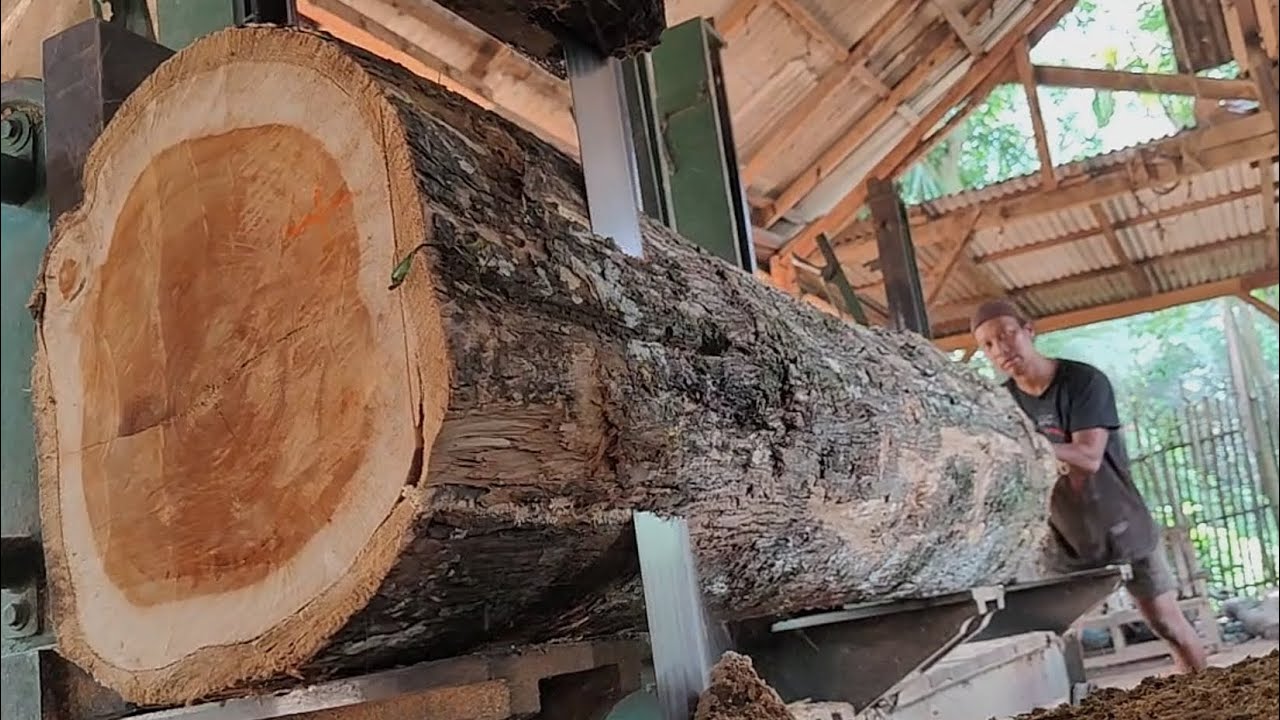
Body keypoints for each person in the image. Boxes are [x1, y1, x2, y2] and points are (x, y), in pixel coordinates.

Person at [969, 298, 1208, 672]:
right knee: (1057, 638)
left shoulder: (1082, 382)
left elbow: (1089, 456)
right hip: (1064, 536)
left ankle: (1204, 695)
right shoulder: (1002, 404)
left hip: (1120, 522)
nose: (1001, 349)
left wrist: (1026, 446)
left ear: (1028, 330)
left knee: (1167, 622)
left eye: (1007, 334)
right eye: (988, 344)